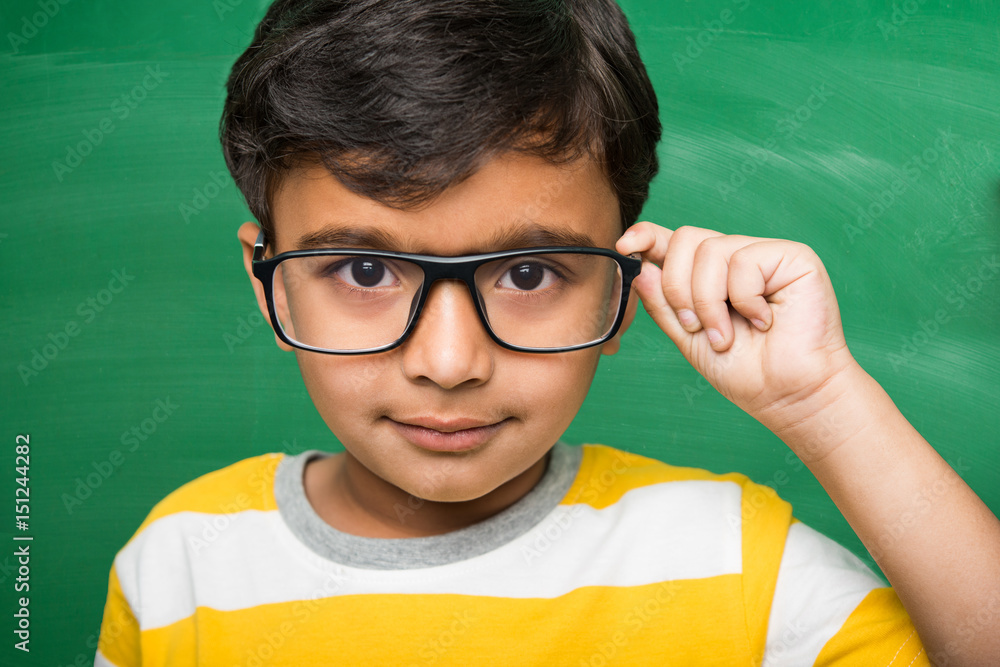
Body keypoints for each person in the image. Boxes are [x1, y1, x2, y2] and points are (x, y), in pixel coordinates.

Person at [95, 0, 1000, 665]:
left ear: (621, 285)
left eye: (528, 274)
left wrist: (826, 406)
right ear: (269, 284)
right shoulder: (181, 560)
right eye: (365, 270)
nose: (448, 364)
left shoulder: (733, 559)